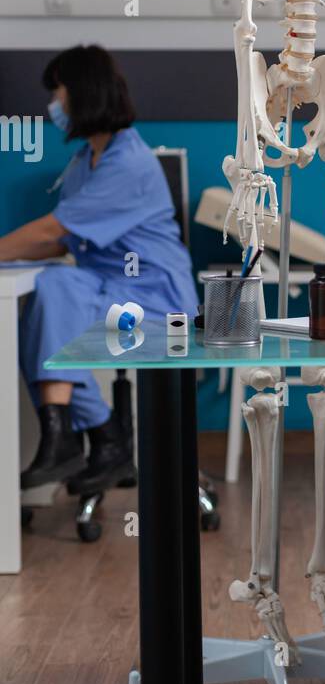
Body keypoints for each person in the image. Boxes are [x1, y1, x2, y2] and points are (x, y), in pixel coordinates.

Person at [2, 45, 198, 491]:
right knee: (37, 317)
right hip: (106, 293)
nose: (54, 105)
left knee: (56, 290)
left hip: (155, 306)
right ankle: (102, 439)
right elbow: (59, 240)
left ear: (82, 93)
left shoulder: (129, 164)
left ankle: (73, 438)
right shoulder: (83, 164)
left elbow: (52, 228)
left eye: (59, 92)